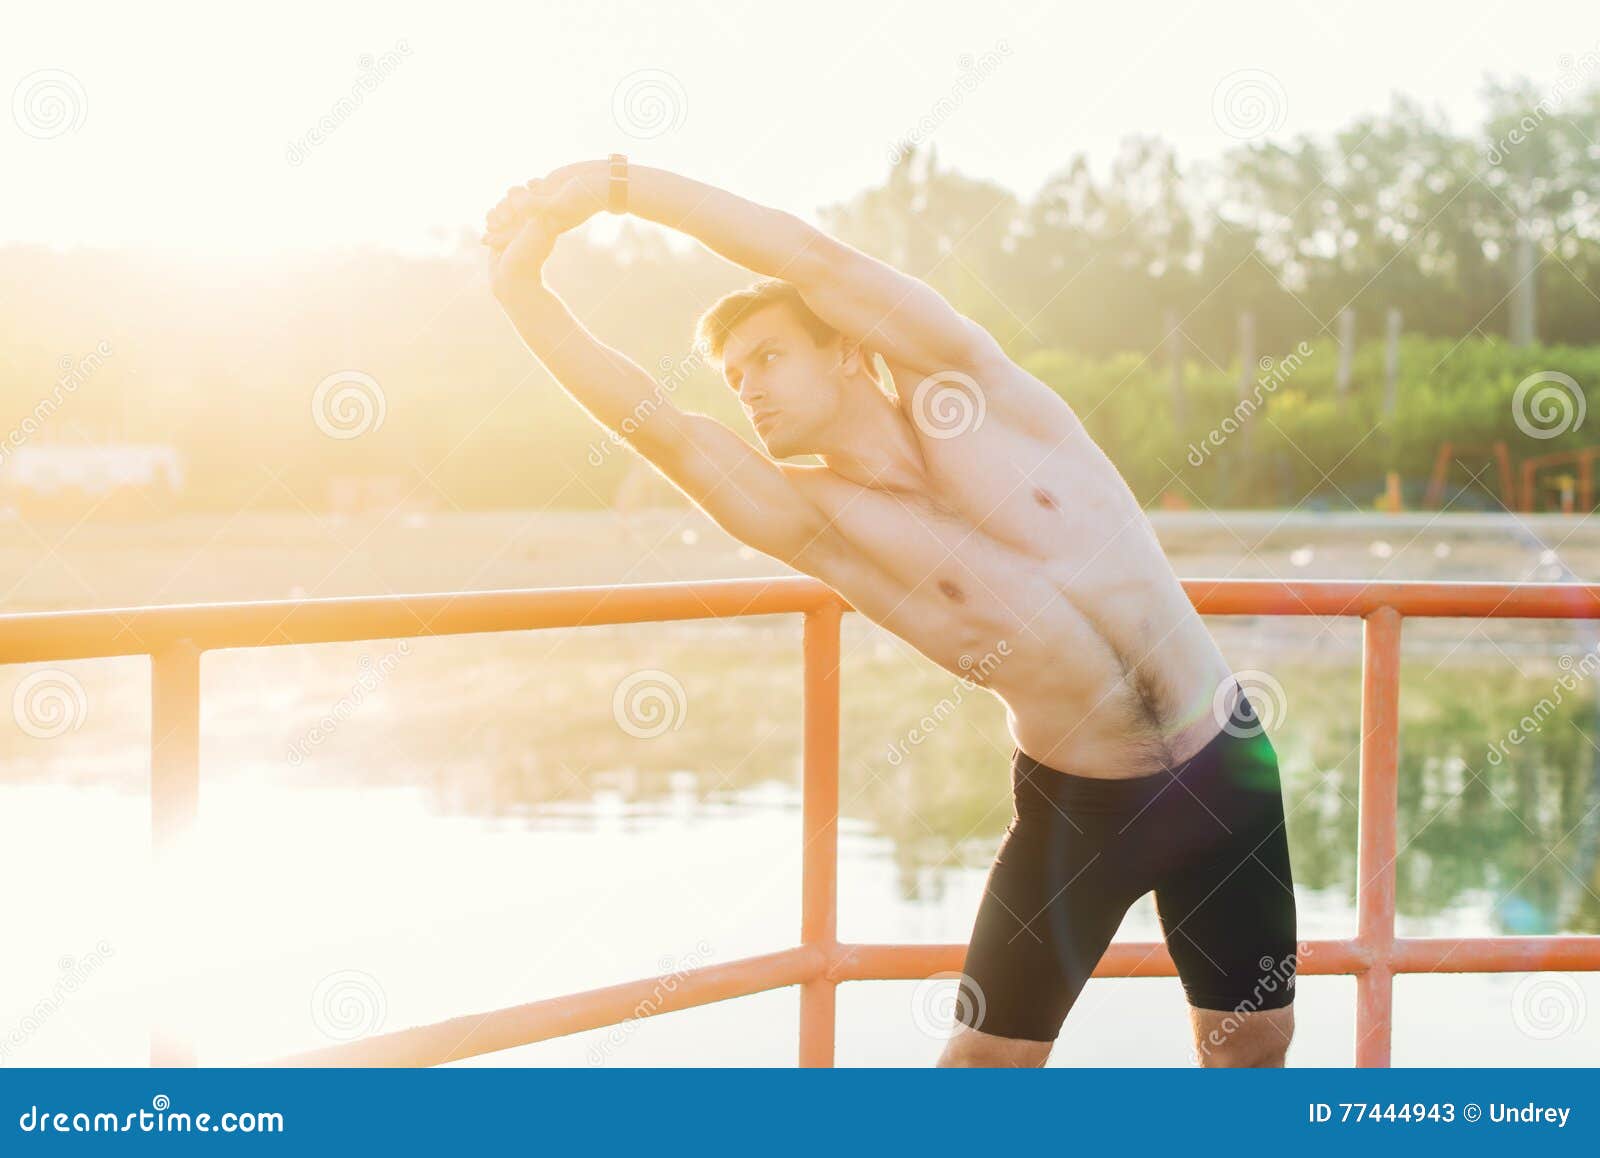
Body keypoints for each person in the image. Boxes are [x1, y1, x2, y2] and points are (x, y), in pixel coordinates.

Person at [482, 157, 1297, 1067]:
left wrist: (618, 185)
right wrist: (521, 294)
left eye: (767, 357)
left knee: (1254, 1042)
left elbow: (806, 252)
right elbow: (656, 424)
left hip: (1224, 762)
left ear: (844, 346)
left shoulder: (975, 386)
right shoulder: (818, 522)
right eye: (732, 374)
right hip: (1083, 807)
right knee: (985, 1066)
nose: (745, 387)